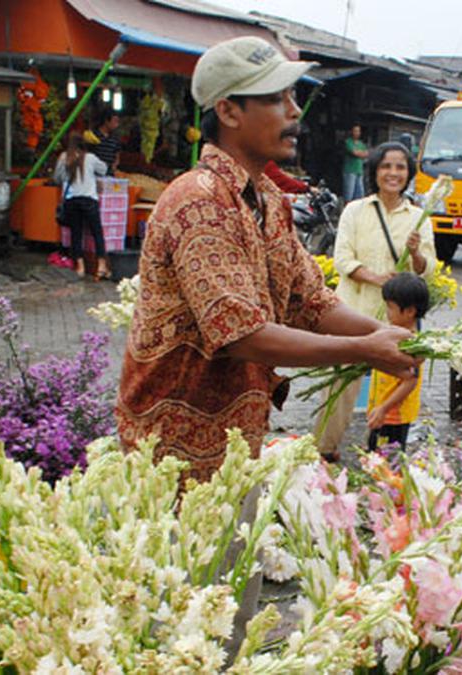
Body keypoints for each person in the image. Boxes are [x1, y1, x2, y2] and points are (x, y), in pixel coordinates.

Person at [117, 35, 418, 481]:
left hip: (236, 439)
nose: (295, 111)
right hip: (170, 451)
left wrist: (389, 335)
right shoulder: (198, 200)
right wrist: (363, 349)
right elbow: (241, 334)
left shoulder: (269, 201)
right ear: (229, 111)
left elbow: (310, 301)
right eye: (277, 99)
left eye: (291, 96)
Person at [321, 141, 435, 460]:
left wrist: (415, 254)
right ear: (375, 171)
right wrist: (375, 279)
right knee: (340, 388)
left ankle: (383, 456)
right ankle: (323, 451)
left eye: (400, 167)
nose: (393, 173)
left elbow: (428, 271)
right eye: (386, 166)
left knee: (395, 387)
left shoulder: (418, 217)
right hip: (353, 314)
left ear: (409, 173)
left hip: (396, 323)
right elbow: (342, 258)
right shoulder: (356, 210)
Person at [367, 273, 429, 453]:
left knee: (388, 462)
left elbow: (411, 381)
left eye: (390, 307)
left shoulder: (412, 345)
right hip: (381, 411)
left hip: (394, 415)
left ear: (409, 311)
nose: (387, 312)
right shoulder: (393, 334)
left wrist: (383, 408)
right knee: (376, 455)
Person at [53, 132, 110, 280]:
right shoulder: (90, 158)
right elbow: (104, 169)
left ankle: (80, 267)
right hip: (89, 200)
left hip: (72, 201)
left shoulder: (64, 158)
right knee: (97, 232)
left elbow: (57, 178)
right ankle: (101, 267)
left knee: (76, 234)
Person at [86, 111, 122, 175]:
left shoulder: (115, 138)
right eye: (115, 121)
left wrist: (114, 165)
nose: (117, 125)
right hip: (94, 174)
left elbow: (117, 157)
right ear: (106, 121)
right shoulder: (93, 135)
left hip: (109, 175)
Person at [342, 123, 369, 202]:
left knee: (360, 195)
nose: (357, 133)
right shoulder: (348, 142)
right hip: (350, 171)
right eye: (355, 131)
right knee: (348, 195)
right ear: (351, 132)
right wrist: (360, 153)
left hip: (359, 171)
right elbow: (355, 153)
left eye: (358, 131)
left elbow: (366, 154)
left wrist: (359, 153)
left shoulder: (361, 143)